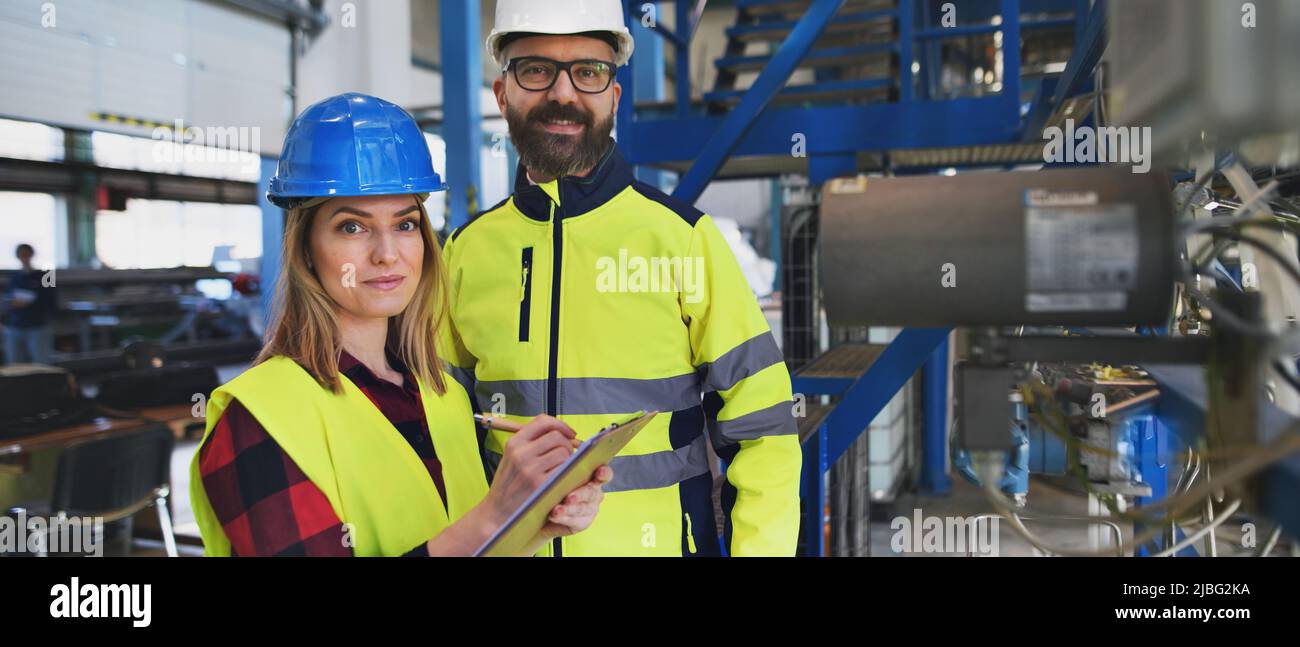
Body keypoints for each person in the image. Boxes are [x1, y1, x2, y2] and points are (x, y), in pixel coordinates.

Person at [440, 0, 801, 556]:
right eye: (536, 70)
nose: (563, 94)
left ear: (613, 95)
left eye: (588, 71)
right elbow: (444, 433)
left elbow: (764, 430)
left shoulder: (682, 240)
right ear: (501, 93)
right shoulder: (465, 255)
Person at [189, 93, 611, 557]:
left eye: (406, 224)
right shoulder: (260, 419)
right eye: (353, 227)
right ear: (305, 247)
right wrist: (492, 514)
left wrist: (537, 520)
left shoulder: (443, 397)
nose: (387, 253)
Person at [2, 243, 56, 365]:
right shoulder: (14, 277)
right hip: (16, 325)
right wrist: (11, 304)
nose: (24, 258)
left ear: (31, 255)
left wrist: (31, 303)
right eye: (21, 255)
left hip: (38, 326)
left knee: (42, 363)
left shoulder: (47, 275)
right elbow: (8, 299)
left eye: (26, 254)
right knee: (15, 364)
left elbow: (52, 301)